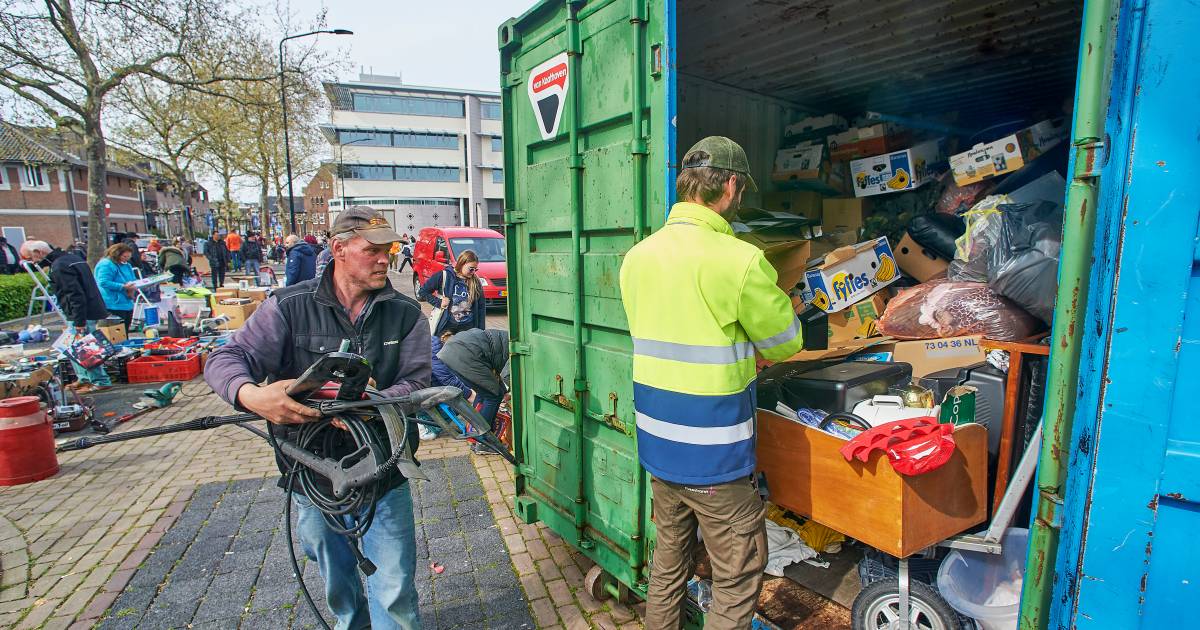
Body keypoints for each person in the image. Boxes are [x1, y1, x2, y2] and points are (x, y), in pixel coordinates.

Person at [204, 206, 429, 629]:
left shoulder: (406, 313)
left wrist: (368, 402)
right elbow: (226, 358)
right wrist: (251, 395)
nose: (384, 259)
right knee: (338, 583)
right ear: (339, 249)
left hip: (384, 471)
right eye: (372, 250)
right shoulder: (288, 306)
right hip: (311, 474)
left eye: (388, 250)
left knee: (394, 588)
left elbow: (416, 383)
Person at [618, 137, 805, 630]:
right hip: (714, 456)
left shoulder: (637, 257)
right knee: (737, 576)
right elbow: (786, 341)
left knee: (668, 564)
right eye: (740, 190)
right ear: (731, 185)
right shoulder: (739, 260)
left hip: (659, 444)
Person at [20, 240, 113, 394]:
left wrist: (78, 320)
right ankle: (85, 378)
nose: (34, 262)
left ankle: (99, 381)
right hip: (89, 309)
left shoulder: (59, 266)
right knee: (75, 347)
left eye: (32, 258)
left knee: (84, 348)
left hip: (82, 313)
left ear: (38, 252)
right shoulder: (71, 259)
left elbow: (74, 294)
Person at [431, 328, 510, 452]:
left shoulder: (508, 338)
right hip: (466, 354)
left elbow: (496, 372)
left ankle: (477, 437)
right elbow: (506, 374)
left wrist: (503, 390)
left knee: (484, 394)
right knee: (493, 396)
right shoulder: (518, 347)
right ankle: (484, 442)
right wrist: (506, 391)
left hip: (459, 353)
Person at [418, 250, 485, 337]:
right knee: (444, 346)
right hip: (446, 326)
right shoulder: (444, 276)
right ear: (462, 264)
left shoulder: (476, 282)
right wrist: (439, 302)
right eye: (471, 269)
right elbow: (423, 292)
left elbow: (481, 307)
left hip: (468, 328)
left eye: (475, 269)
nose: (473, 272)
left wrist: (481, 331)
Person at [93, 243, 138, 331]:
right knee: (116, 331)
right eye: (125, 256)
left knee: (125, 329)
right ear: (117, 254)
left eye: (128, 257)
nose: (127, 259)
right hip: (113, 303)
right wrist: (123, 286)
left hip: (126, 301)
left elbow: (133, 279)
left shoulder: (127, 265)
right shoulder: (106, 264)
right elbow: (103, 282)